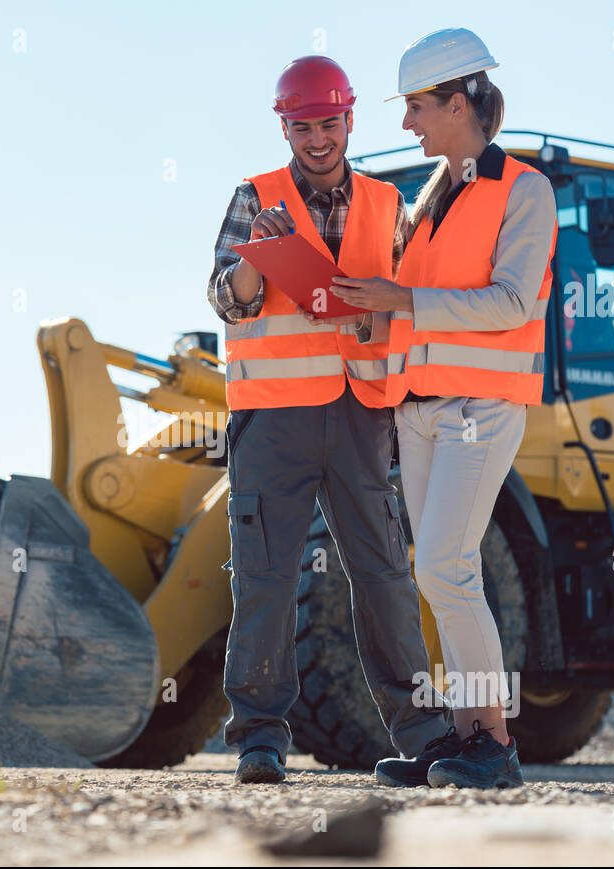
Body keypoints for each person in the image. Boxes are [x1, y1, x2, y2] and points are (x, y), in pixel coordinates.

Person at [207, 54, 452, 785]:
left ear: (349, 120)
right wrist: (259, 256)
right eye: (304, 126)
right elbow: (227, 296)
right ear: (286, 128)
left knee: (382, 574)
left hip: (360, 416)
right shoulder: (255, 196)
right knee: (266, 575)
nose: (318, 138)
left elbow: (412, 297)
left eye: (329, 123)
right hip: (273, 417)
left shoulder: (387, 204)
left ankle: (424, 729)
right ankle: (258, 737)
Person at [328, 28, 557, 789]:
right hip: (421, 412)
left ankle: (493, 740)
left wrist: (405, 298)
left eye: (418, 108)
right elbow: (413, 310)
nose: (407, 125)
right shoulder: (431, 198)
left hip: (480, 409)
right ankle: (462, 735)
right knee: (435, 571)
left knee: (451, 568)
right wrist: (364, 307)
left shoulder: (523, 191)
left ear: (461, 103)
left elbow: (513, 300)